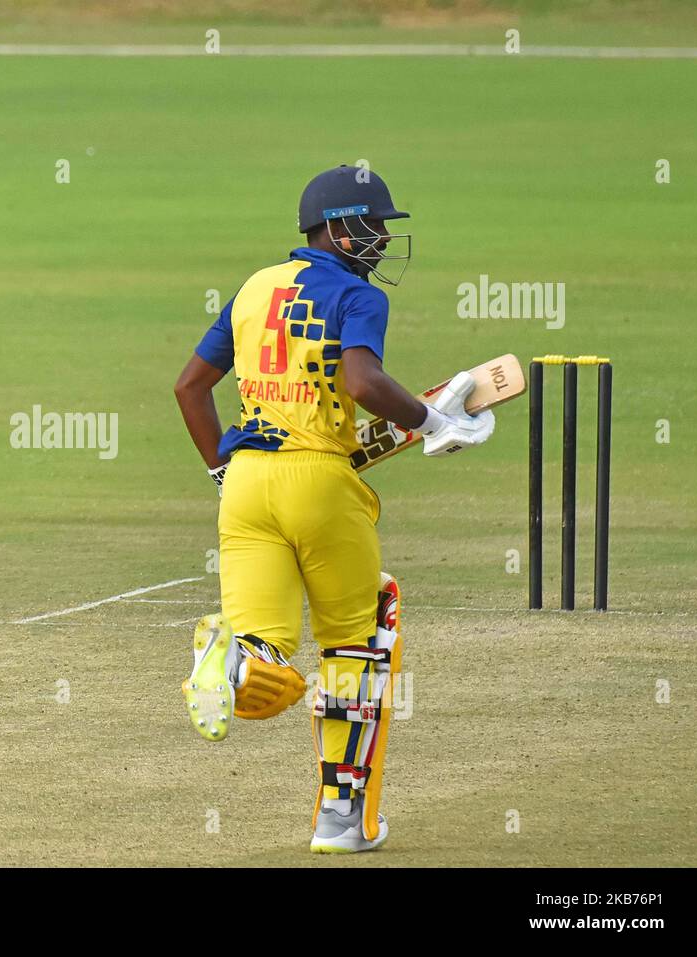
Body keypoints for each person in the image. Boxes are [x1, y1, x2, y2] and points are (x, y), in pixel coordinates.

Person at [173, 165, 494, 852]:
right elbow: (363, 380)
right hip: (320, 484)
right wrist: (433, 422)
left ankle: (229, 655)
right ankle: (341, 819)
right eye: (373, 225)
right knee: (358, 641)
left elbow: (190, 387)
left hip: (246, 486)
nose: (381, 238)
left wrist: (223, 473)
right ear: (336, 227)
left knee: (270, 658)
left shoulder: (254, 287)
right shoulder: (356, 296)